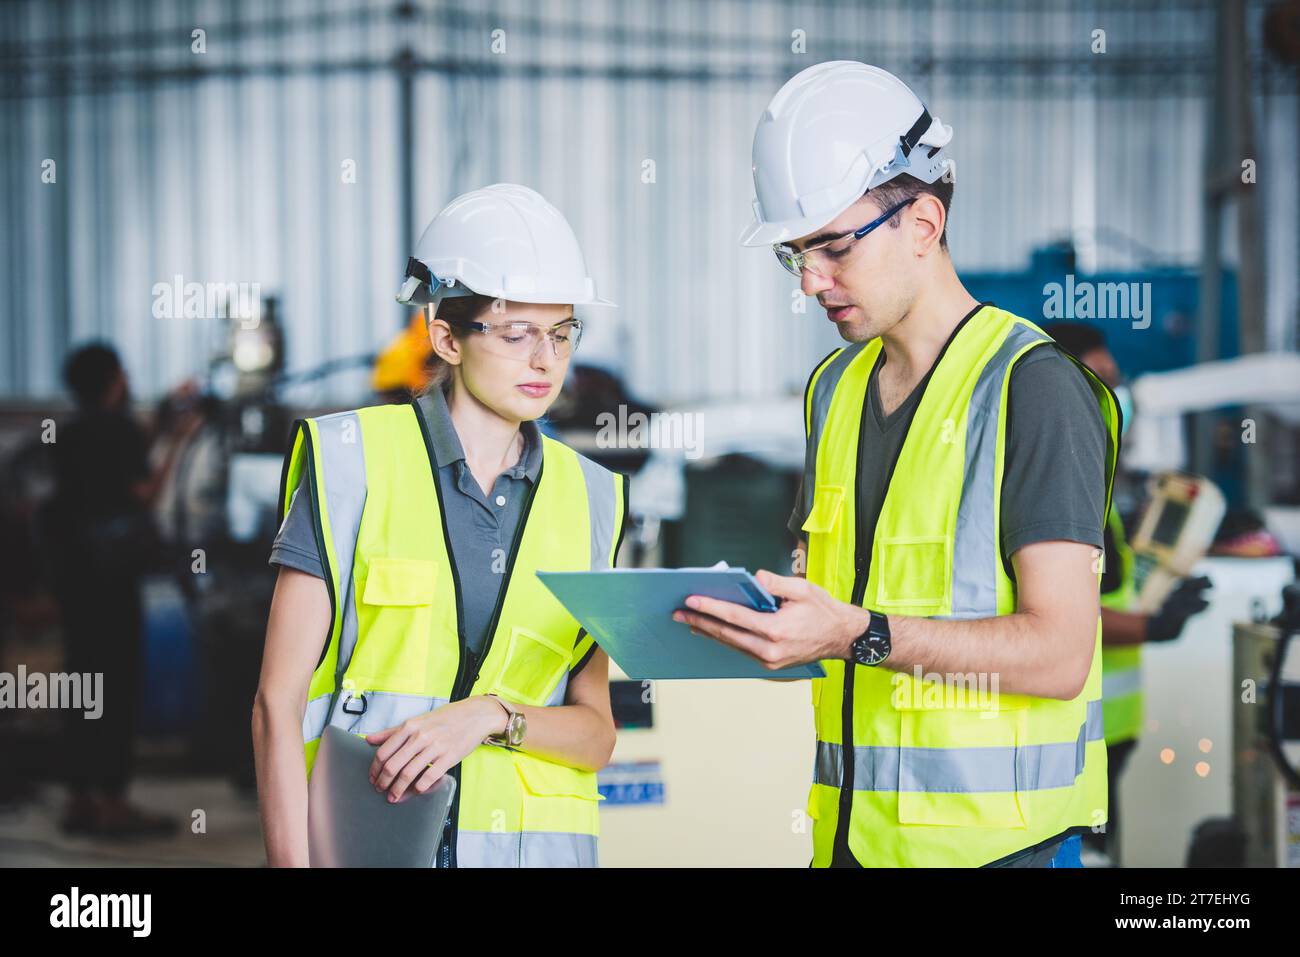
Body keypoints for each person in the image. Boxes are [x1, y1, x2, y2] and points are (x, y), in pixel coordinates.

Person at [674, 61, 1121, 867]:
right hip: (849, 841)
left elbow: (1060, 655)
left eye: (832, 247)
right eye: (794, 255)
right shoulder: (833, 389)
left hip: (998, 851)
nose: (811, 281)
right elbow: (845, 598)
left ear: (922, 222)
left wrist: (854, 633)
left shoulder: (1036, 387)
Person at [253, 184, 627, 868]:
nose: (546, 360)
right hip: (368, 842)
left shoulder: (593, 497)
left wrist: (490, 714)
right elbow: (277, 702)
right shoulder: (351, 464)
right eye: (517, 334)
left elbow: (596, 732)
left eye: (563, 333)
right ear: (446, 337)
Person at [1045, 321, 1211, 865]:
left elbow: (1104, 584)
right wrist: (1150, 628)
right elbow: (1053, 608)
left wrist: (1161, 594)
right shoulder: (1055, 474)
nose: (1114, 397)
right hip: (1068, 733)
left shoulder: (1095, 475)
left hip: (1107, 730)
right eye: (1100, 379)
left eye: (1114, 380)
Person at [49, 343, 198, 838]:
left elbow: (99, 475)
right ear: (115, 377)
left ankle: (79, 800)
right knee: (116, 689)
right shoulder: (119, 430)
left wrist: (157, 421)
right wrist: (178, 441)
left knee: (81, 687)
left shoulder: (68, 433)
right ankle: (113, 803)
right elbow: (142, 491)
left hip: (75, 581)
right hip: (113, 583)